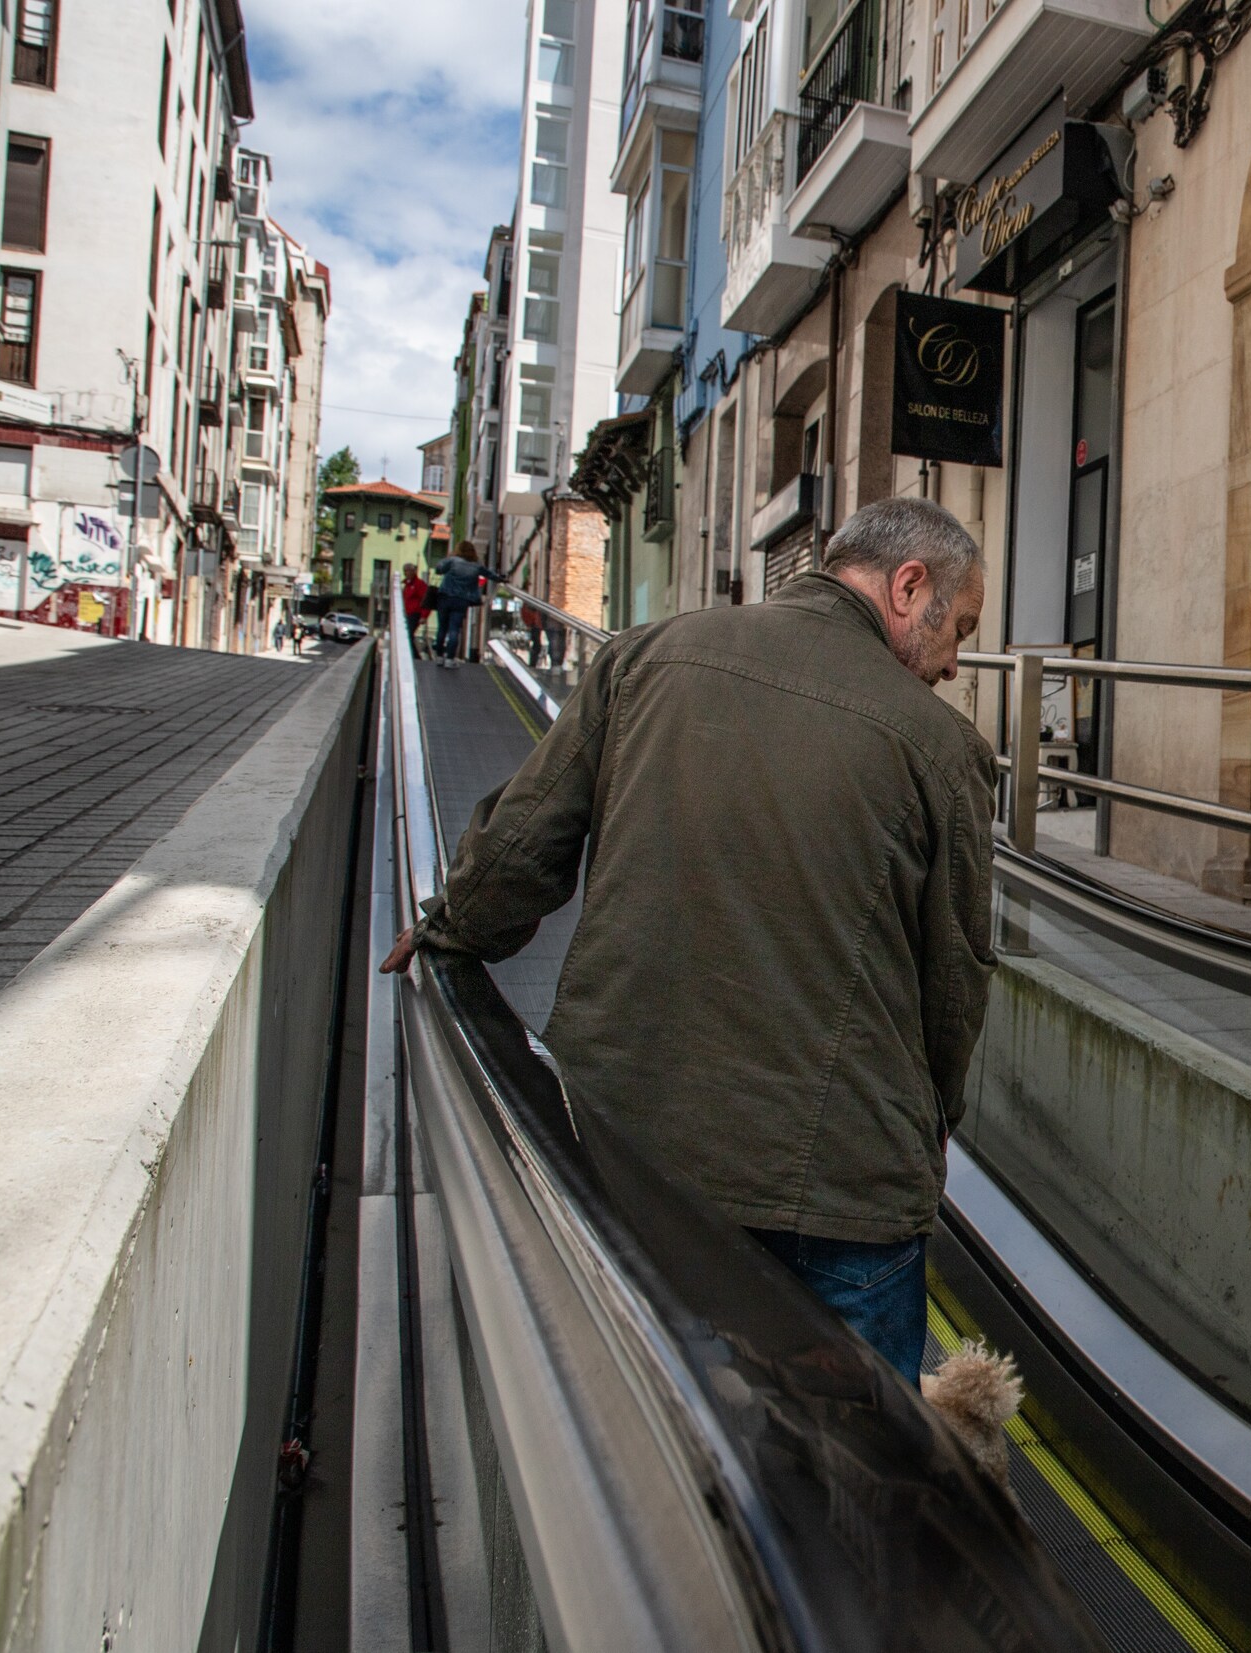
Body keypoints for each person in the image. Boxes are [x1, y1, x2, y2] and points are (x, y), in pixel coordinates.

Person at [378, 498, 996, 1381]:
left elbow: (521, 847)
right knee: (854, 1457)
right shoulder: (942, 748)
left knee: (632, 1404)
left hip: (628, 1151)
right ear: (908, 586)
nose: (953, 663)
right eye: (958, 628)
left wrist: (448, 930)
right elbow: (956, 979)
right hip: (842, 1192)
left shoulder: (642, 658)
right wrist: (935, 1119)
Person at [430, 548, 491, 667]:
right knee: (454, 630)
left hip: (444, 598)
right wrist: (502, 579)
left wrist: (444, 563)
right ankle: (449, 659)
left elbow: (439, 570)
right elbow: (489, 574)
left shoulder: (452, 561)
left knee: (442, 628)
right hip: (461, 600)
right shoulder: (475, 566)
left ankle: (439, 657)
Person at [401, 565, 432, 658]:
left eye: (408, 571)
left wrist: (424, 616)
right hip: (408, 614)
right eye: (405, 571)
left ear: (413, 572)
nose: (406, 573)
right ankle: (414, 655)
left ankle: (415, 656)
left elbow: (426, 600)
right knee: (408, 634)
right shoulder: (407, 585)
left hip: (416, 613)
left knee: (408, 634)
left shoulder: (419, 584)